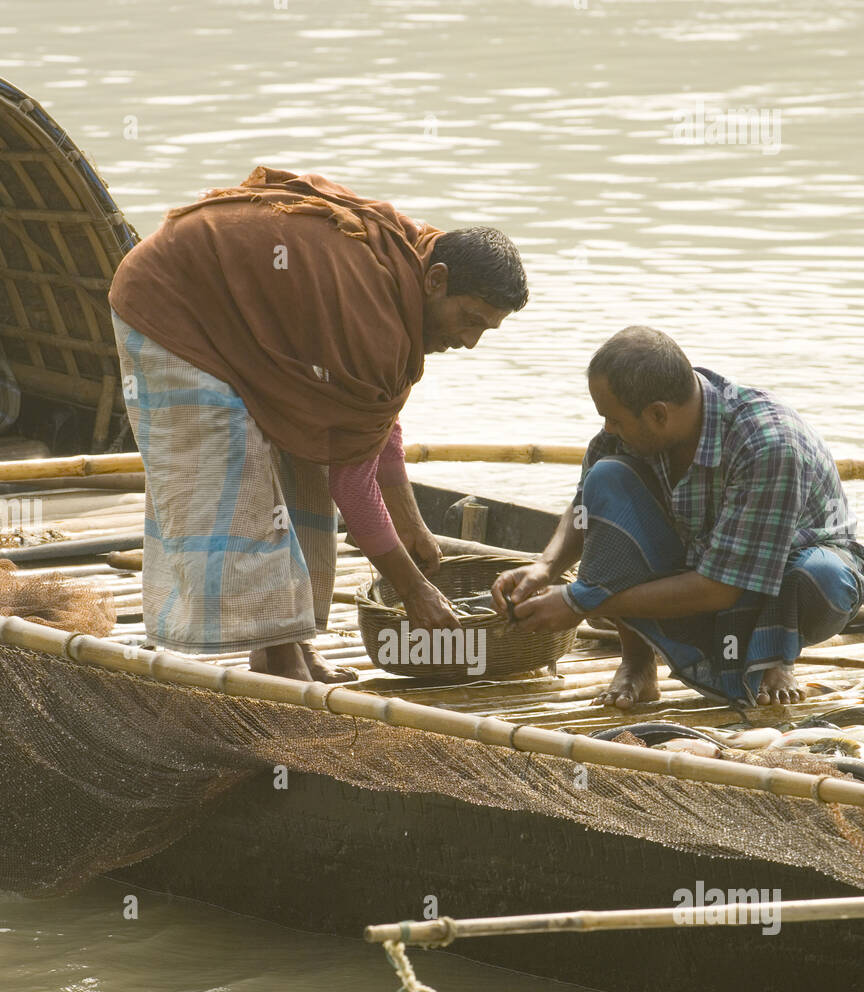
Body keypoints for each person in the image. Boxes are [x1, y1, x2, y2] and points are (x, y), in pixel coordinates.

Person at [109, 166, 528, 681]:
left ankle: (292, 643)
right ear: (436, 280)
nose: (469, 342)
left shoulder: (410, 272)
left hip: (244, 318)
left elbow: (371, 422)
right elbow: (352, 481)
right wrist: (413, 589)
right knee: (244, 485)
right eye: (470, 320)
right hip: (173, 308)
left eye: (485, 330)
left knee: (302, 475)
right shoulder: (376, 316)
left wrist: (413, 526)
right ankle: (276, 656)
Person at [493, 326, 864, 708]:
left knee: (821, 577)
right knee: (605, 477)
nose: (607, 428)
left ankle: (777, 656)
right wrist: (545, 567)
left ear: (657, 415)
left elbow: (721, 587)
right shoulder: (634, 430)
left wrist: (580, 602)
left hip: (788, 576)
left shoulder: (769, 445)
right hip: (701, 561)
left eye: (615, 419)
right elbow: (584, 507)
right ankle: (637, 661)